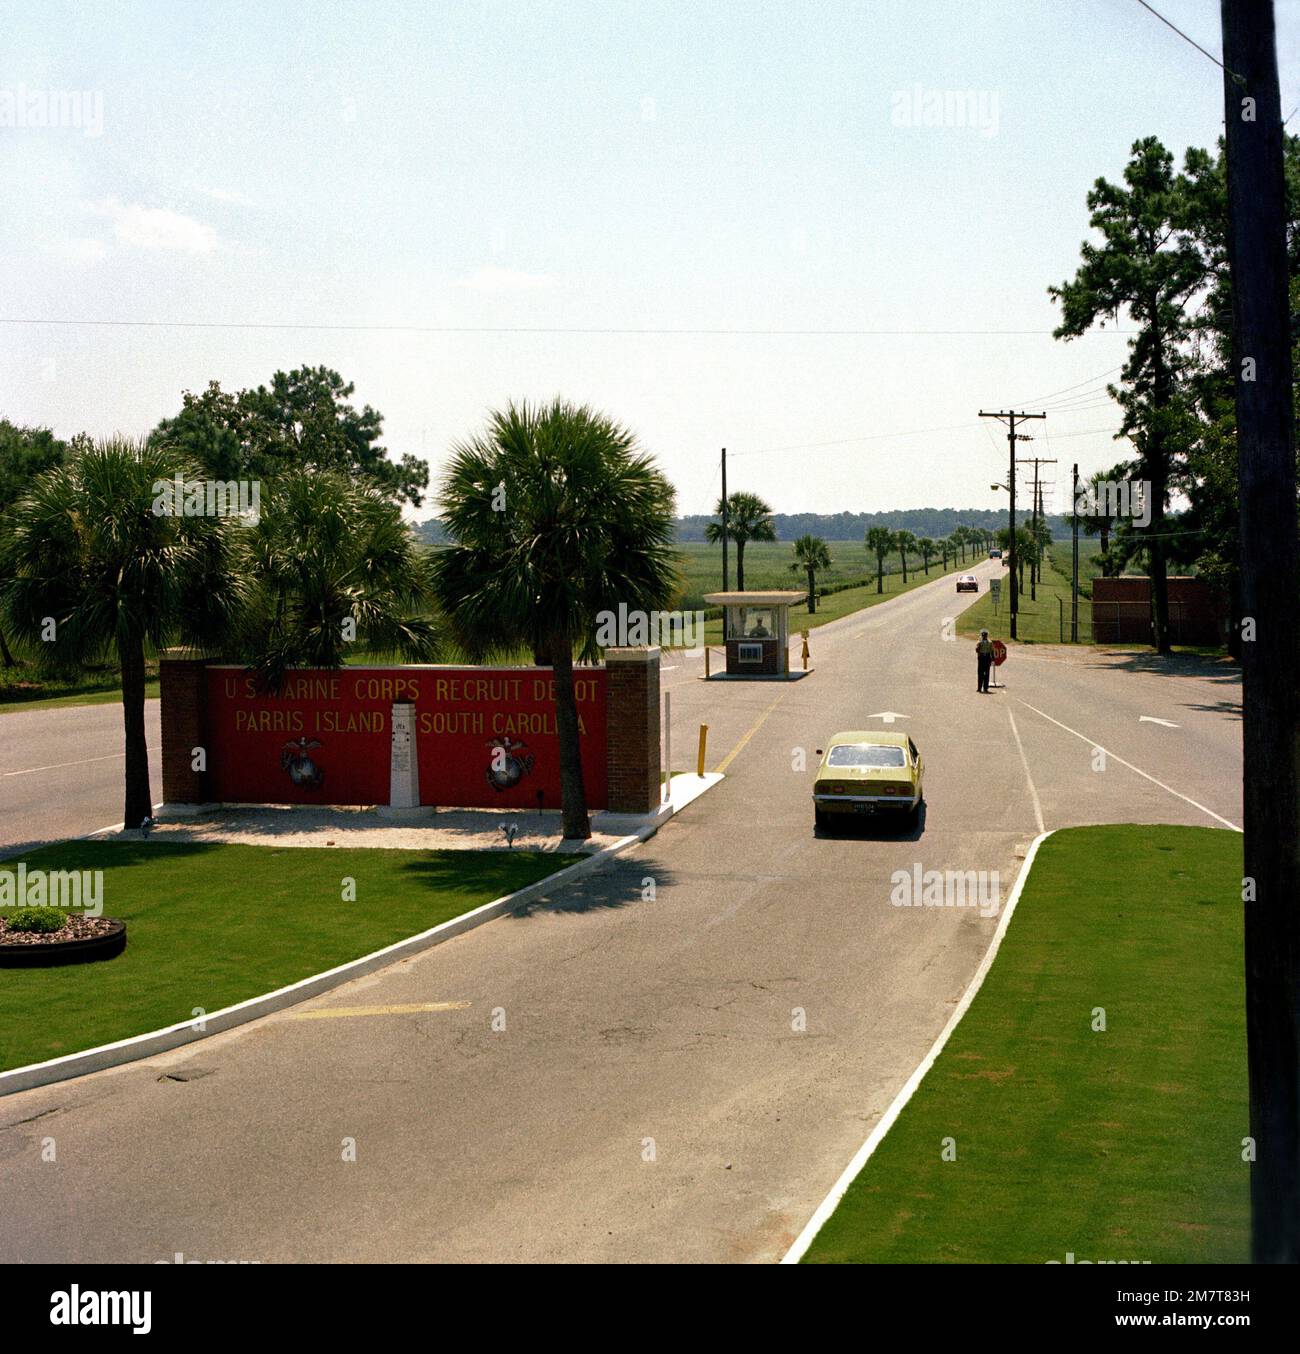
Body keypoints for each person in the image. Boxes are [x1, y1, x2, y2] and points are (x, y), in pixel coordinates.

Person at [976, 629, 994, 693]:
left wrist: (992, 658)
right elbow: (977, 650)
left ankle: (985, 688)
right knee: (980, 673)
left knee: (987, 673)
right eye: (983, 635)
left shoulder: (990, 642)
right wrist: (979, 645)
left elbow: (992, 650)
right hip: (981, 658)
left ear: (987, 636)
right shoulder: (979, 642)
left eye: (985, 635)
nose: (984, 636)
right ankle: (979, 687)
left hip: (987, 657)